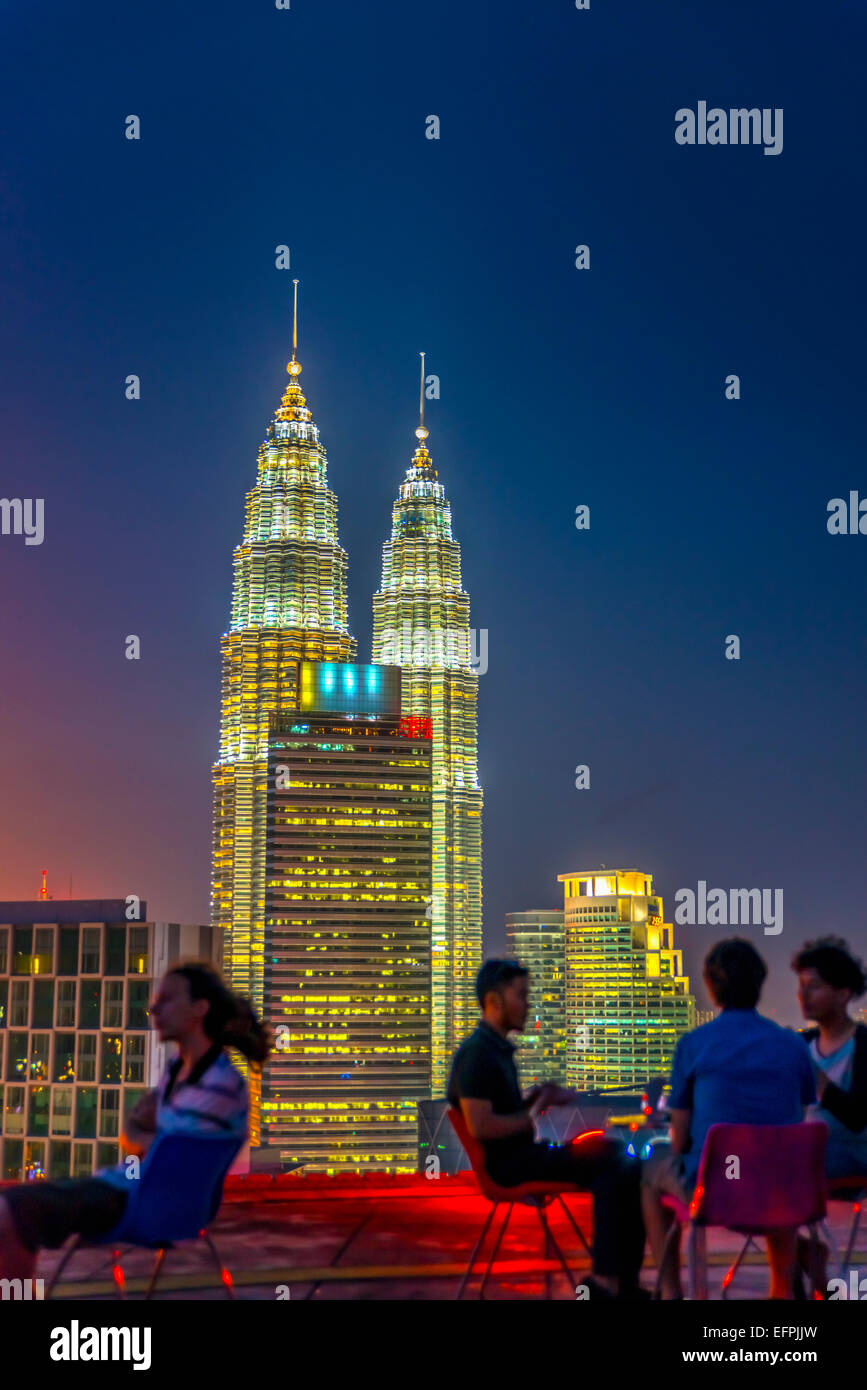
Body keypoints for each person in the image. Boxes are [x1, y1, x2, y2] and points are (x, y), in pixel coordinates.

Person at [0, 962, 269, 1281]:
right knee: (13, 1210)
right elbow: (148, 1146)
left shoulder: (219, 1084)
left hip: (141, 1202)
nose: (154, 1007)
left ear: (200, 1009)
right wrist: (142, 1137)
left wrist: (139, 1133)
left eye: (167, 999)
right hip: (129, 1189)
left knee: (8, 1214)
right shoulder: (178, 1072)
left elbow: (166, 1153)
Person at [447, 958, 646, 1300]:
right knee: (616, 1161)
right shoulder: (477, 1054)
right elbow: (481, 1126)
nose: (528, 1005)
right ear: (494, 1001)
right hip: (511, 1168)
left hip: (523, 1157)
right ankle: (607, 1284)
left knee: (618, 1158)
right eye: (521, 996)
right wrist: (537, 1109)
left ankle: (618, 1283)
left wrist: (539, 1097)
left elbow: (504, 1117)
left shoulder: (494, 1051)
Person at [641, 938, 816, 1300]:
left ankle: (671, 1292)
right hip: (785, 1191)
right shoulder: (794, 1045)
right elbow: (796, 1120)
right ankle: (783, 1289)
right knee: (773, 1169)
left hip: (717, 1191)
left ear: (711, 987)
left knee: (650, 1171)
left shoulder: (694, 1044)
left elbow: (678, 1140)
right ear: (760, 984)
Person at [792, 937, 867, 1292]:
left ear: (843, 993)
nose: (803, 995)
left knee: (778, 1172)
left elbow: (858, 1117)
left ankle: (793, 1280)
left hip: (852, 1155)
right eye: (801, 987)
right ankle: (799, 1262)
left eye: (815, 986)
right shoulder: (802, 1044)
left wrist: (819, 1082)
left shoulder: (863, 1045)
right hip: (809, 1155)